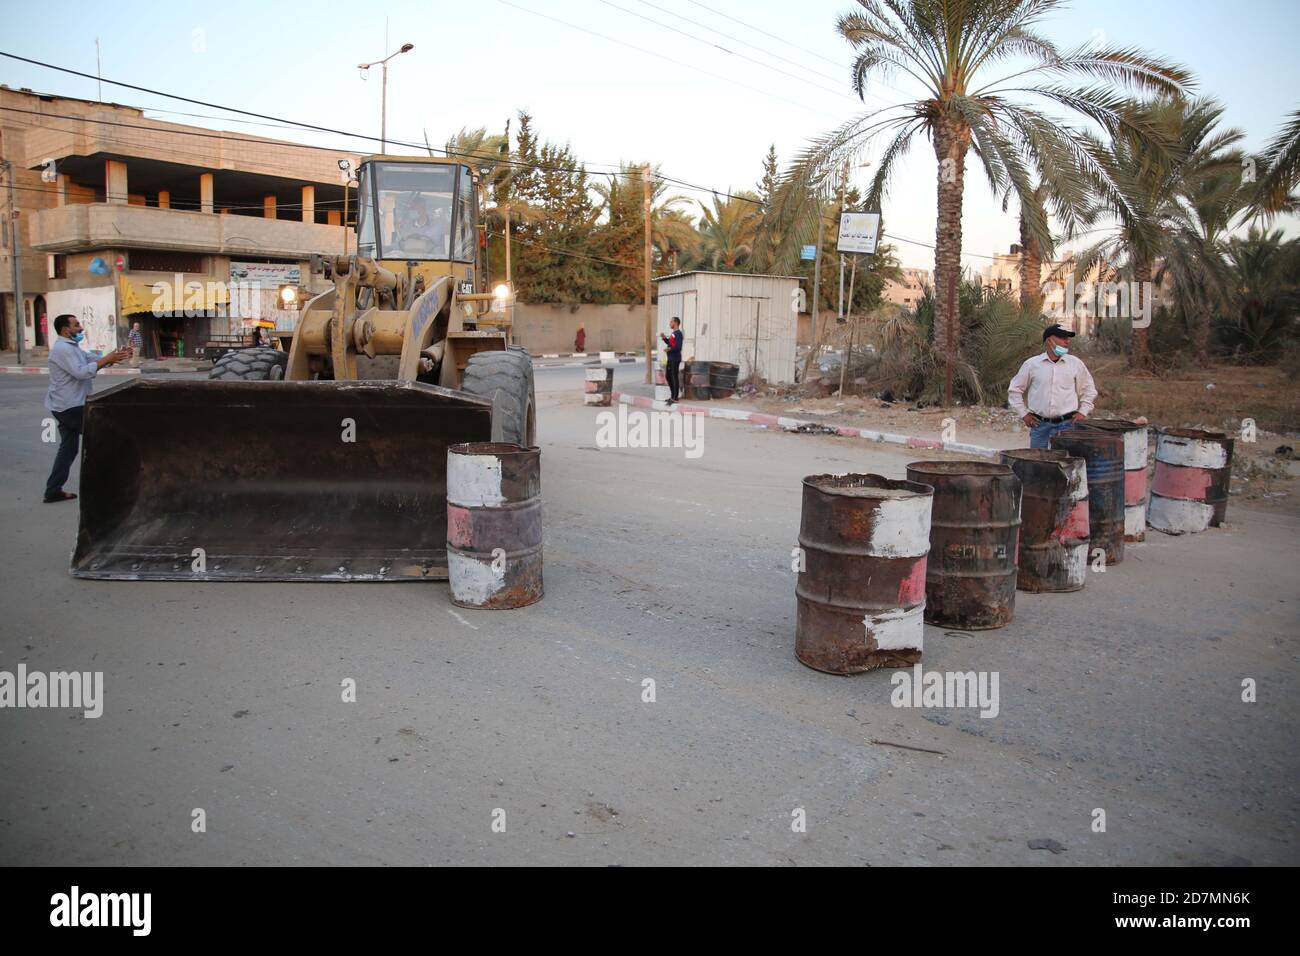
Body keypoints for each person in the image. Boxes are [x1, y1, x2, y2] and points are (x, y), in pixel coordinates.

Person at [43, 314, 129, 503]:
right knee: (103, 440)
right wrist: (107, 359)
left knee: (69, 449)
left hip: (67, 404)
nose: (80, 328)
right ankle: (108, 488)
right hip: (70, 406)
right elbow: (81, 372)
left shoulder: (73, 348)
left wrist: (114, 356)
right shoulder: (61, 349)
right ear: (66, 330)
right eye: (76, 325)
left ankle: (53, 490)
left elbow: (92, 360)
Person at [1008, 323, 1097, 449]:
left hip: (1067, 425)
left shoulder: (1075, 364)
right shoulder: (1032, 364)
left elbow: (1089, 389)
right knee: (1038, 462)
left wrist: (1083, 412)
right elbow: (1014, 390)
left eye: (1068, 338)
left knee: (1065, 463)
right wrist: (1024, 414)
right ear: (1049, 340)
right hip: (1039, 426)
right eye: (1062, 338)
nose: (1067, 341)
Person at [660, 317, 684, 404]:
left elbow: (678, 347)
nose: (670, 323)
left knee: (673, 377)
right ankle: (673, 396)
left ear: (675, 323)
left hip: (675, 358)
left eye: (671, 322)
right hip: (670, 358)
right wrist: (664, 338)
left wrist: (669, 349)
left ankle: (675, 397)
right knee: (668, 376)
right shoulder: (673, 333)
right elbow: (670, 344)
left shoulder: (678, 334)